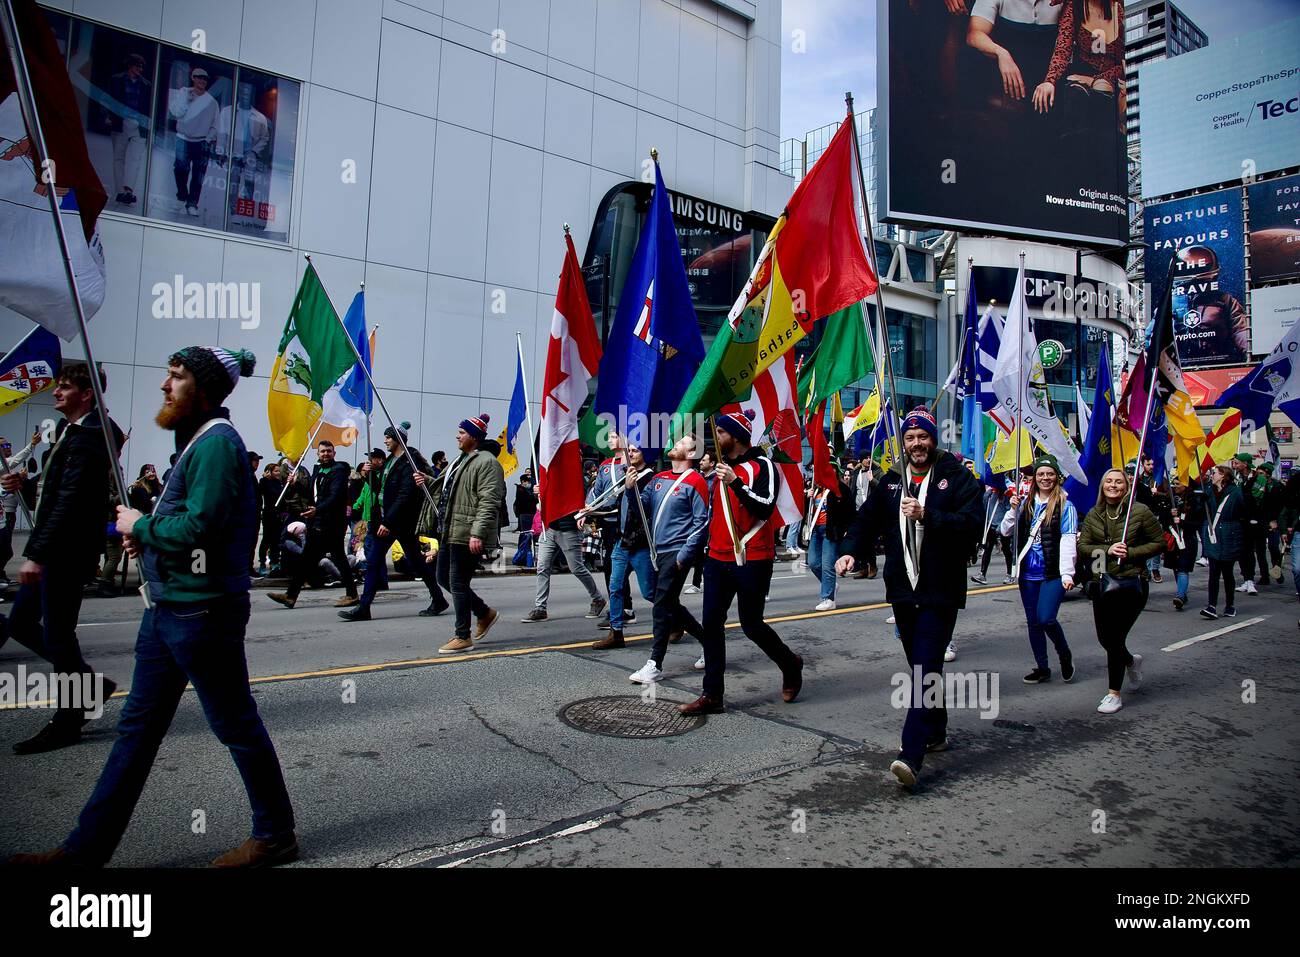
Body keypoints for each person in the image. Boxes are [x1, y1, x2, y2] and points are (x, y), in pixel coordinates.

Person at [7, 346, 298, 868]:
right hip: (168, 612)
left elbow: (201, 530)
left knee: (235, 726)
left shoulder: (216, 445)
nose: (165, 385)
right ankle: (83, 851)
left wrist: (140, 526)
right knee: (136, 731)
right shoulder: (196, 443)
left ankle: (275, 835)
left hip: (202, 615)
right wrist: (147, 534)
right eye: (168, 374)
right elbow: (186, 529)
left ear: (204, 390)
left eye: (177, 376)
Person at [837, 407, 984, 789]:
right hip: (903, 590)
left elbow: (972, 527)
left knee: (921, 671)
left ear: (934, 439)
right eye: (910, 438)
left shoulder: (957, 477)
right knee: (923, 667)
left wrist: (927, 514)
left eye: (923, 437)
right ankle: (936, 731)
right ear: (903, 443)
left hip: (940, 589)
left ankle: (911, 755)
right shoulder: (891, 481)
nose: (917, 444)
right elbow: (866, 521)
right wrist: (851, 549)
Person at [0, 364, 120, 754]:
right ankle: (89, 686)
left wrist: (35, 554)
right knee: (20, 623)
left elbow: (71, 500)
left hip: (66, 551)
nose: (55, 393)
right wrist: (27, 485)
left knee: (57, 631)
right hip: (55, 547)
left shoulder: (91, 434)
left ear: (86, 394)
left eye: (64, 388)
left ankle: (71, 716)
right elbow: (58, 488)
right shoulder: (73, 431)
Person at [679, 410, 804, 716]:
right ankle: (712, 694)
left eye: (720, 433)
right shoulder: (719, 469)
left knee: (751, 624)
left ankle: (790, 663)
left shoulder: (763, 466)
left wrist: (735, 482)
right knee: (711, 624)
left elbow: (764, 508)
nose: (715, 438)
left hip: (753, 557)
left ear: (736, 436)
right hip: (717, 558)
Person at [606, 434, 710, 682]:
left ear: (692, 453)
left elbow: (701, 523)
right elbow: (641, 508)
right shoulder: (659, 478)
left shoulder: (696, 482)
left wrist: (684, 555)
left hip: (676, 553)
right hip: (658, 552)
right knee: (669, 603)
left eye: (683, 443)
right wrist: (630, 489)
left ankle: (655, 663)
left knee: (661, 605)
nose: (676, 443)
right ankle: (709, 642)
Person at [1077, 467, 1164, 715]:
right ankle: (1130, 661)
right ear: (1102, 486)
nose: (1113, 485)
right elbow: (1084, 547)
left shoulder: (1140, 512)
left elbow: (1159, 543)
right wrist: (1108, 550)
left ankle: (1114, 693)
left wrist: (1131, 552)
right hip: (1103, 583)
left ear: (1126, 486)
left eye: (1118, 481)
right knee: (1105, 639)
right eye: (1108, 481)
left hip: (1131, 583)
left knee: (1114, 638)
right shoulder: (1095, 513)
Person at [340, 422, 447, 622]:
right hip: (387, 520)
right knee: (405, 561)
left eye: (388, 437)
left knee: (379, 561)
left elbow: (404, 495)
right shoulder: (390, 461)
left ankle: (364, 607)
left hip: (399, 522)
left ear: (398, 439)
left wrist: (387, 522)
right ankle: (438, 598)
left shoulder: (408, 462)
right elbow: (383, 489)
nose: (385, 441)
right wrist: (369, 475)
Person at [422, 413, 505, 654]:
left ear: (475, 437)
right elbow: (451, 490)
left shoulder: (487, 463)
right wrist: (427, 480)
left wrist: (477, 533)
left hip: (467, 532)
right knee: (443, 579)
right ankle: (483, 612)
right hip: (450, 529)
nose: (457, 436)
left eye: (462, 432)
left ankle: (462, 635)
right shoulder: (461, 460)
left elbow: (489, 501)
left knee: (457, 582)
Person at [1001, 455, 1077, 684]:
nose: (1045, 478)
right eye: (1041, 474)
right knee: (1033, 622)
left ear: (1057, 477)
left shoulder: (1066, 505)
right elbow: (1005, 531)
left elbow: (1068, 540)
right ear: (1035, 477)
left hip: (1052, 573)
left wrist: (1067, 573)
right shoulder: (1025, 503)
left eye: (1050, 474)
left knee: (1046, 618)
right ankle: (1042, 667)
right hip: (1027, 574)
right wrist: (1012, 510)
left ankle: (1064, 654)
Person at [268, 439, 359, 609]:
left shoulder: (338, 471)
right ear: (317, 454)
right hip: (317, 523)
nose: (326, 454)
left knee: (338, 558)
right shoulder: (317, 469)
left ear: (334, 453)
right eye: (322, 451)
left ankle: (352, 594)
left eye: (329, 451)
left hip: (332, 523)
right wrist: (296, 485)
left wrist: (317, 510)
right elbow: (312, 495)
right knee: (307, 559)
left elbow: (334, 497)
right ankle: (291, 596)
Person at [590, 442, 656, 652]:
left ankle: (676, 619)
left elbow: (644, 508)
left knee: (650, 592)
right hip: (621, 541)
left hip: (641, 543)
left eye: (635, 450)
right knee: (615, 587)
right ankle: (616, 632)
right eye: (629, 450)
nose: (631, 453)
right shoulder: (627, 475)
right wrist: (591, 509)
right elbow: (614, 503)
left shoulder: (650, 479)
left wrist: (629, 487)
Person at [523, 504, 607, 622]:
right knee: (542, 567)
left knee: (576, 568)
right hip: (550, 528)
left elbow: (580, 498)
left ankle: (598, 599)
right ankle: (540, 608)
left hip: (569, 529)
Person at [585, 435, 636, 627]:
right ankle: (623, 609)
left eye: (614, 436)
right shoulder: (606, 465)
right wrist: (587, 509)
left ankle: (627, 608)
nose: (609, 439)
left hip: (627, 523)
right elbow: (596, 492)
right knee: (612, 566)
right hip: (607, 523)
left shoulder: (633, 464)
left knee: (630, 569)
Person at [167, 66, 221, 217]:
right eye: (199, 78)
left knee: (198, 175)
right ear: (193, 78)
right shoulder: (184, 93)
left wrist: (208, 139)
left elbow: (216, 124)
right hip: (183, 138)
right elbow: (175, 112)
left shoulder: (212, 102)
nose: (201, 81)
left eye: (204, 79)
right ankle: (182, 196)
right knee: (180, 169)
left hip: (201, 141)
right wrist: (187, 101)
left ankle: (192, 204)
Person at [1199, 464, 1244, 620]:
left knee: (1227, 573)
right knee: (1213, 573)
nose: (1212, 475)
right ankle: (1211, 605)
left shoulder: (1235, 493)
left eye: (1215, 473)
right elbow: (1203, 512)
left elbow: (1241, 512)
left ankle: (1230, 605)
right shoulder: (1209, 491)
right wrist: (1201, 501)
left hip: (1229, 535)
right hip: (1214, 535)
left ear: (1223, 476)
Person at [806, 473, 855, 611]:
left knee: (828, 564)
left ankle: (828, 598)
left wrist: (846, 528)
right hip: (815, 530)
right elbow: (808, 511)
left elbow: (849, 510)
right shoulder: (815, 490)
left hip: (831, 530)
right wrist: (807, 498)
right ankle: (831, 585)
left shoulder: (839, 488)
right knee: (813, 563)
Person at [108, 52, 150, 206]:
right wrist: (108, 116)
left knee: (135, 158)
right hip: (120, 121)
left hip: (139, 124)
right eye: (137, 66)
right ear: (130, 65)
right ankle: (120, 191)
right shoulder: (116, 80)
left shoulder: (146, 85)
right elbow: (108, 99)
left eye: (142, 67)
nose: (140, 69)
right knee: (119, 157)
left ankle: (128, 190)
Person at [0, 429, 41, 584]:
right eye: (3, 446)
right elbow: (16, 459)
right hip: (5, 514)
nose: (8, 448)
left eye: (8, 444)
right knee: (4, 550)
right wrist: (32, 445)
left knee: (5, 550)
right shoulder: (3, 464)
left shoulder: (6, 465)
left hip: (7, 514)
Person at [1164, 478, 1204, 611]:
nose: (1174, 487)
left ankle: (1180, 596)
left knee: (1183, 569)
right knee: (1176, 567)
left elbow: (1197, 524)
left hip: (1187, 540)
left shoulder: (1194, 501)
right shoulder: (1172, 499)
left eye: (1177, 484)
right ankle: (1182, 592)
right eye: (1173, 484)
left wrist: (1181, 521)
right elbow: (1164, 520)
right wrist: (1170, 515)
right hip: (1174, 540)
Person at [971, 479, 1013, 585]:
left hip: (1003, 526)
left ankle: (1010, 573)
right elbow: (984, 509)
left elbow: (1009, 510)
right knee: (987, 549)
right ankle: (982, 574)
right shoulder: (988, 495)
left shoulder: (1005, 495)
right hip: (991, 525)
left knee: (1006, 549)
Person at [685, 451, 716, 594]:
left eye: (704, 460)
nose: (701, 462)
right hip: (698, 522)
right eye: (701, 460)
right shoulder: (698, 479)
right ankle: (696, 583)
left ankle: (710, 583)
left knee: (709, 555)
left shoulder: (716, 480)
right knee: (698, 553)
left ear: (712, 463)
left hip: (712, 522)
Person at [256, 461, 282, 575]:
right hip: (268, 514)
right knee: (266, 539)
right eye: (276, 471)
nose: (278, 473)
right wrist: (264, 479)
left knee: (276, 540)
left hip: (278, 515)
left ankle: (274, 562)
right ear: (269, 472)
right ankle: (262, 563)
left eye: (279, 471)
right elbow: (258, 493)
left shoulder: (279, 483)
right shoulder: (264, 482)